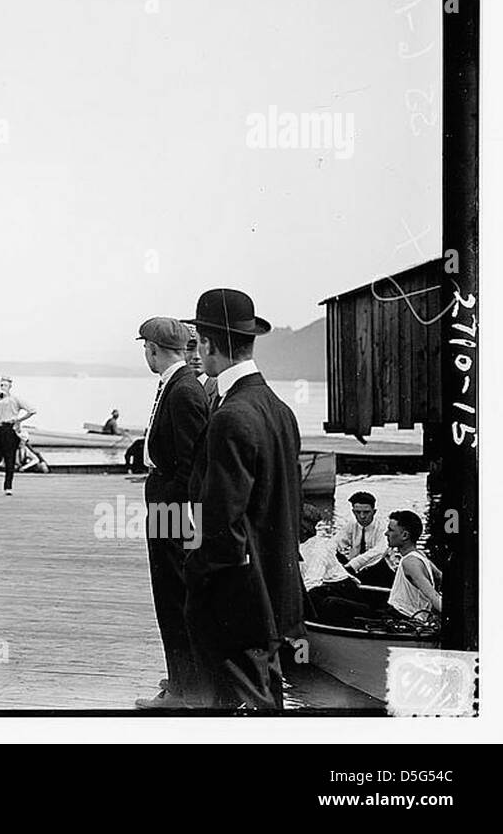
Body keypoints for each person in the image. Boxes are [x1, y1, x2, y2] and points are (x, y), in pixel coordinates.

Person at [181, 288, 303, 710]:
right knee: (264, 703)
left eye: (198, 341)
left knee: (236, 709)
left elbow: (221, 524)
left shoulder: (232, 415)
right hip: (272, 593)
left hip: (235, 600)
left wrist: (196, 574)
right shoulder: (279, 409)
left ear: (210, 344)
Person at [132, 317, 210, 710]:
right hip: (167, 501)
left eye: (146, 347)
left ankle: (185, 691)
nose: (145, 353)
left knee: (173, 594)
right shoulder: (177, 384)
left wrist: (177, 514)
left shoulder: (182, 391)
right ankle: (180, 678)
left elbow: (192, 463)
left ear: (153, 349)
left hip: (173, 507)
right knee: (170, 593)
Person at [298, 503, 365, 624]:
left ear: (303, 527)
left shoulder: (318, 548)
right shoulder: (297, 545)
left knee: (311, 596)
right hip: (325, 587)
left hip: (340, 588)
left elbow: (312, 581)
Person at [384, 511, 442, 621]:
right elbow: (440, 576)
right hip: (401, 613)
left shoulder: (410, 562)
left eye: (391, 530)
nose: (386, 533)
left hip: (403, 617)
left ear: (405, 535)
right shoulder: (420, 555)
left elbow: (433, 596)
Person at [0, 376, 36, 495]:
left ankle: (8, 487)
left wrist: (19, 420)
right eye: (1, 385)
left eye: (5, 385)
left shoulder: (15, 399)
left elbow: (32, 410)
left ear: (10, 387)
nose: (3, 387)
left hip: (9, 428)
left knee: (10, 458)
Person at [336, 491, 398, 588]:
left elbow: (379, 551)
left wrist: (352, 565)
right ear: (353, 512)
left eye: (366, 512)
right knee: (332, 552)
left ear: (374, 511)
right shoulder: (352, 525)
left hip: (381, 573)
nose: (362, 516)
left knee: (378, 562)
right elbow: (336, 543)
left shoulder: (383, 528)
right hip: (357, 571)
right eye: (357, 512)